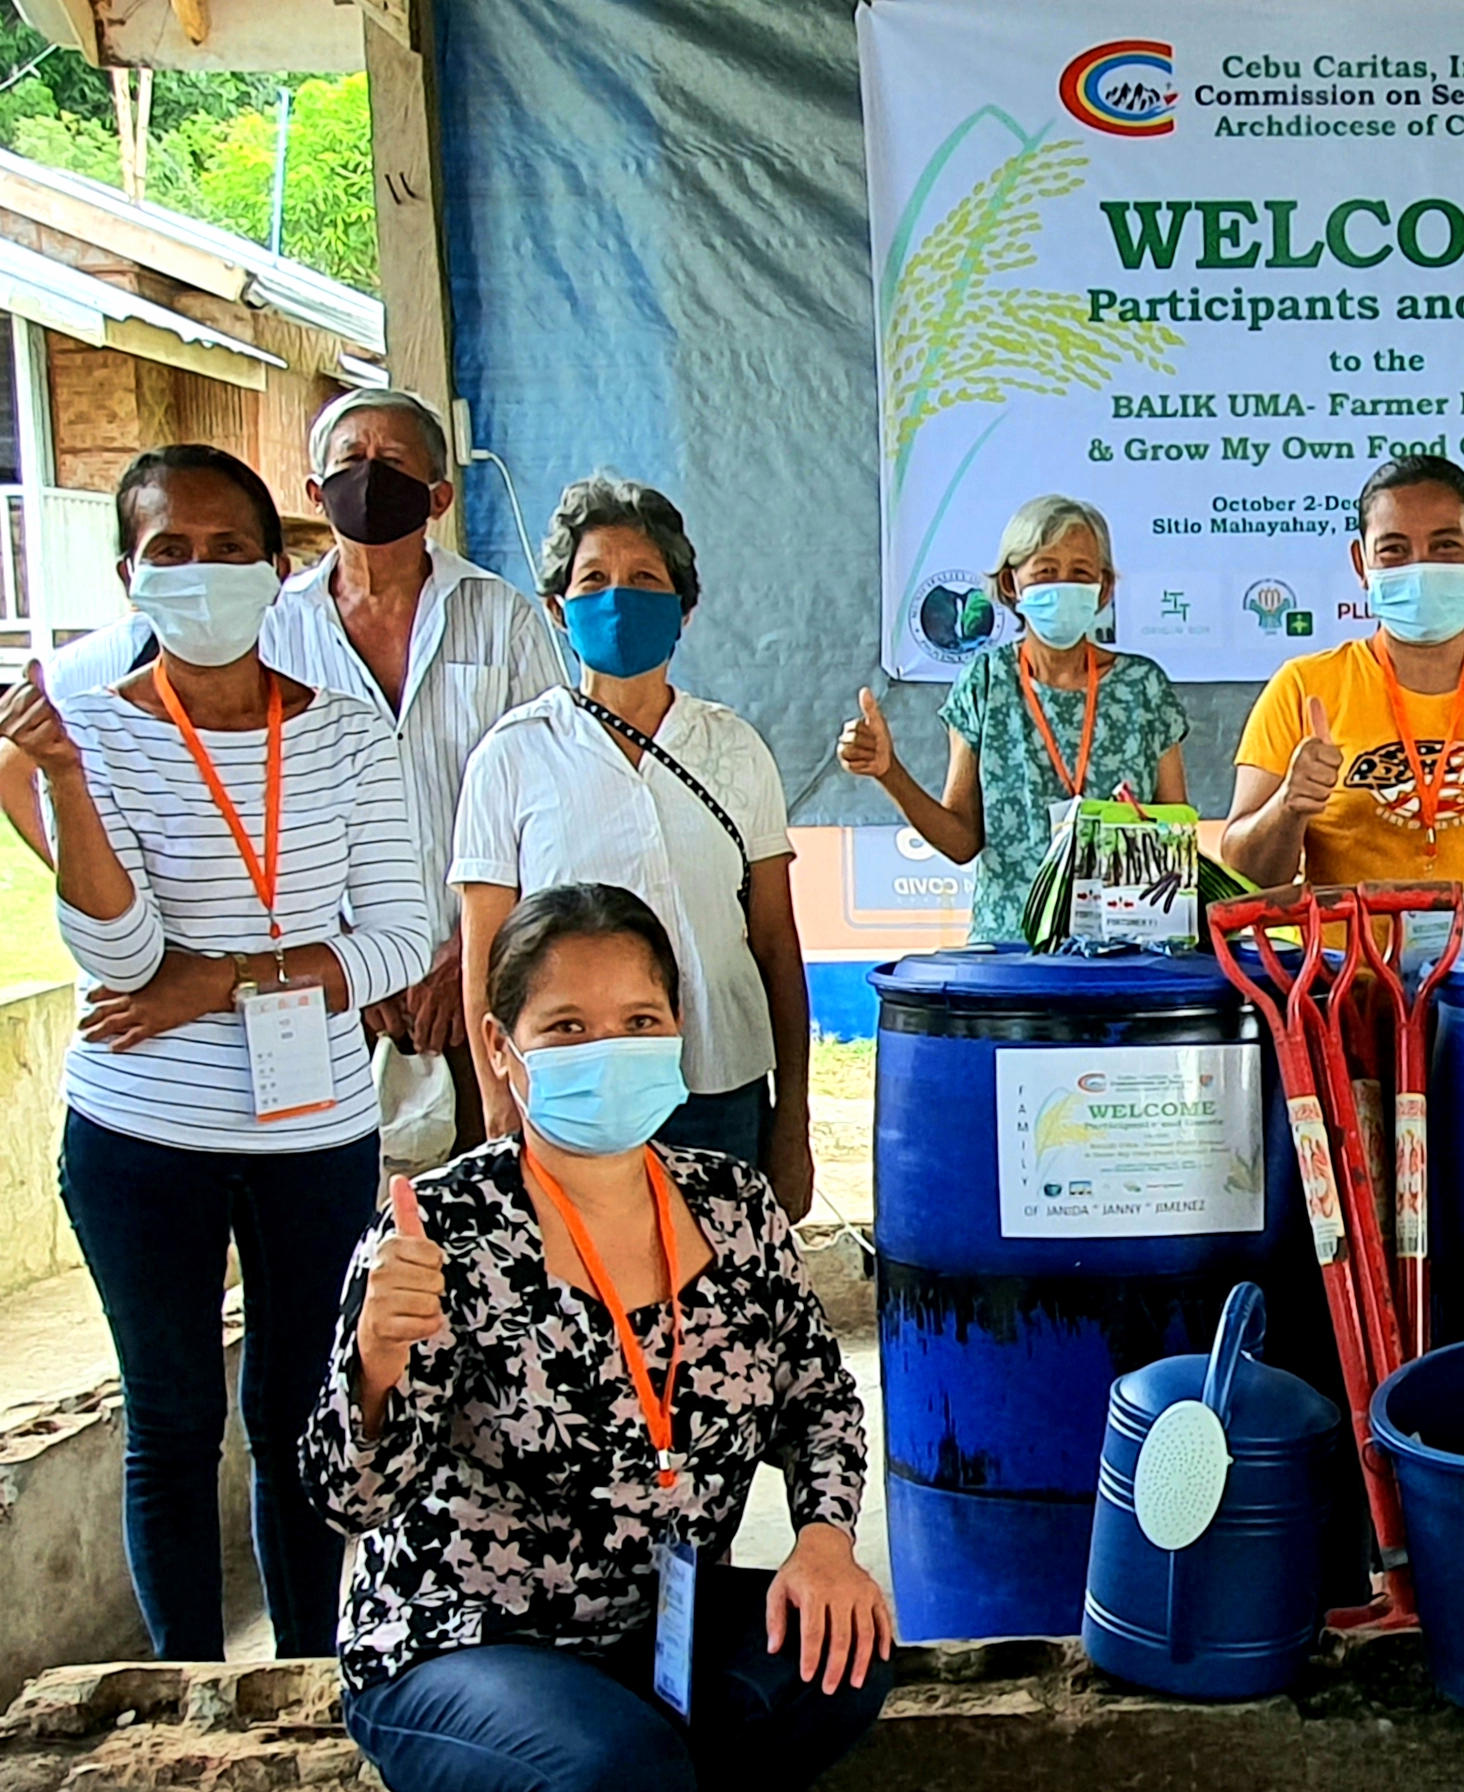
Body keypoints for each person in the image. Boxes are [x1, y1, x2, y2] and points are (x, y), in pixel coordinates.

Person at [315, 883, 894, 1792]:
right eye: (567, 1027)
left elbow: (818, 1397)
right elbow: (350, 1493)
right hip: (466, 1642)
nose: (610, 1051)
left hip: (648, 1620)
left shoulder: (730, 1205)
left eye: (639, 1021)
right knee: (619, 1770)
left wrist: (825, 1537)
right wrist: (377, 1359)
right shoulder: (445, 1230)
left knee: (836, 1658)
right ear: (501, 1044)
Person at [0, 443, 430, 1660]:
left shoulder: (346, 737)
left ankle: (303, 1675)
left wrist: (222, 978)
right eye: (167, 551)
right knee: (170, 1420)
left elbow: (400, 935)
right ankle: (188, 1686)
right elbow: (121, 960)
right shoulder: (94, 731)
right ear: (128, 575)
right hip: (141, 1138)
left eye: (228, 548)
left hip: (315, 1134)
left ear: (278, 566)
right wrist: (68, 783)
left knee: (299, 1415)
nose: (199, 571)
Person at [449, 474, 815, 1212]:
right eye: (595, 579)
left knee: (717, 1299)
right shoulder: (512, 755)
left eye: (646, 579)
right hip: (569, 1092)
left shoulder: (734, 748)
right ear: (558, 608)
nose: (620, 597)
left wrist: (793, 1119)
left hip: (719, 1087)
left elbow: (775, 942)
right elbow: (485, 953)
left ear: (683, 608)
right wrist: (496, 1102)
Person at [270, 389, 571, 1150]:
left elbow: (550, 790)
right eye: (351, 463)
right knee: (335, 1205)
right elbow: (262, 803)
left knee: (491, 1185)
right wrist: (359, 962)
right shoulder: (273, 629)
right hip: (324, 975)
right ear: (314, 492)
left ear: (437, 496)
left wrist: (468, 957)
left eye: (394, 464)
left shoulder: (499, 614)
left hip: (484, 966)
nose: (369, 479)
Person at [1224, 454, 1464, 942]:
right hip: (1342, 998)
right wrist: (1289, 808)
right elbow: (1243, 880)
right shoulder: (1303, 686)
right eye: (1394, 550)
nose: (1421, 567)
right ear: (1361, 564)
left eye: (1446, 546)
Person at [833, 494, 1188, 944]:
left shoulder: (1144, 686)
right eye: (1045, 572)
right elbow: (962, 841)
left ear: (1104, 589)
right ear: (1010, 583)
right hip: (1012, 953)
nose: (1064, 585)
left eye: (1081, 573)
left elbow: (1176, 832)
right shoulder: (985, 681)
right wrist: (889, 773)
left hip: (1130, 954)